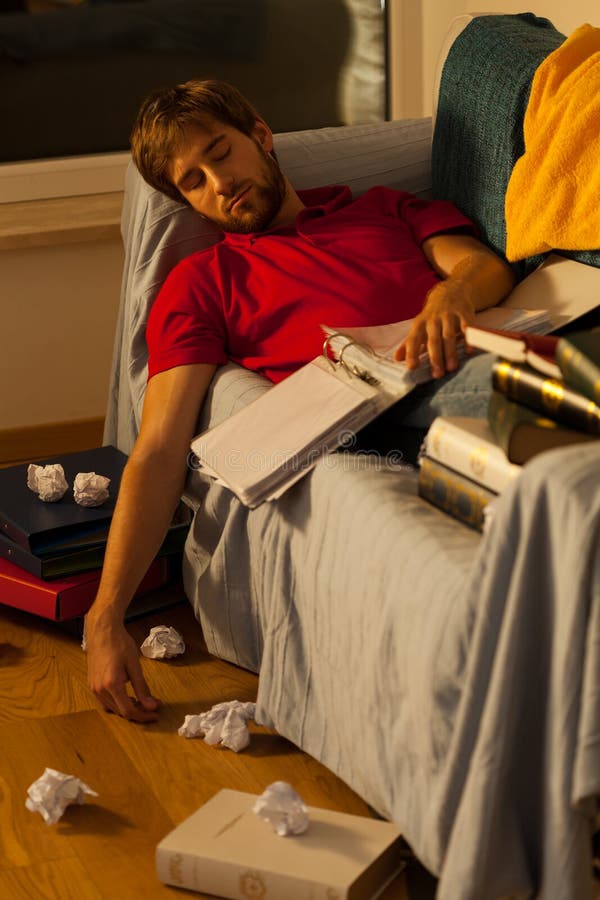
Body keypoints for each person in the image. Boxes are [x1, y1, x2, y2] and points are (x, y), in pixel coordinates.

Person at [85, 79, 516, 722]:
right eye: (193, 183)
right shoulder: (204, 282)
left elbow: (483, 268)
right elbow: (159, 449)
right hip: (389, 422)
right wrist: (105, 617)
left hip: (482, 369)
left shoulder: (384, 210)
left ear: (261, 135)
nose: (219, 184)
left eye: (220, 153)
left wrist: (450, 295)